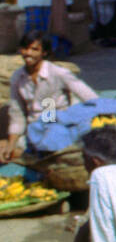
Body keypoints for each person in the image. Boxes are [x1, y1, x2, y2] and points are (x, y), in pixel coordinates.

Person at [2, 30, 96, 161]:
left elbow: (90, 97)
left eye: (34, 49)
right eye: (25, 48)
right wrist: (11, 145)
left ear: (44, 52)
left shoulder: (58, 73)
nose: (28, 53)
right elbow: (17, 114)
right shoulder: (17, 77)